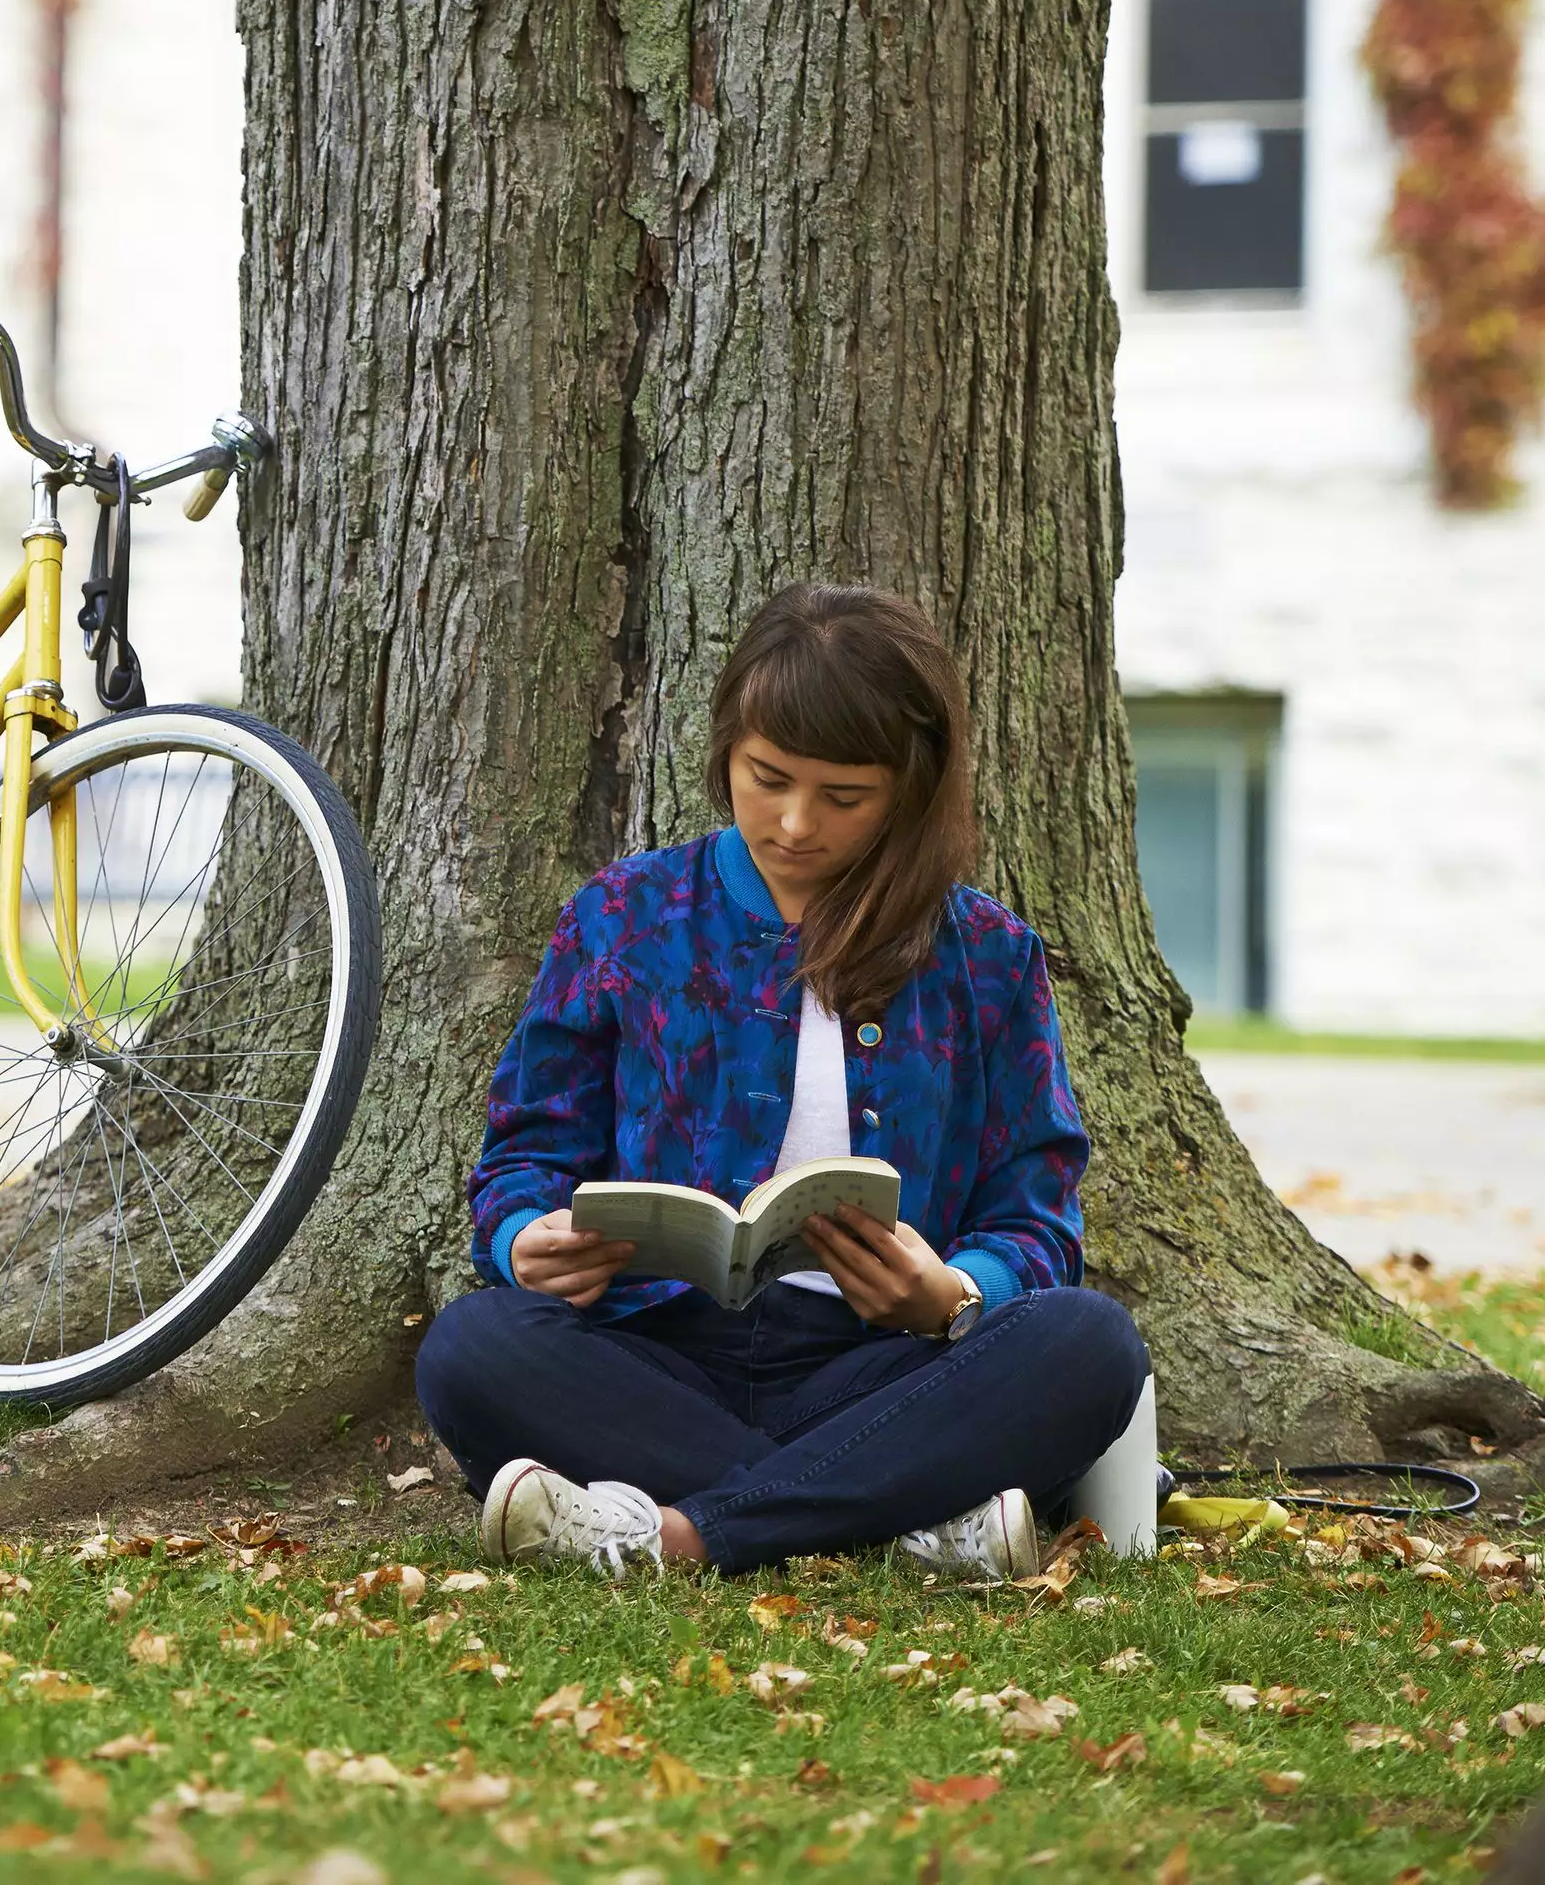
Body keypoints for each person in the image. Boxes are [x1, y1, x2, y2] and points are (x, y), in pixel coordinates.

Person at [415, 583, 1148, 1582]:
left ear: (910, 787)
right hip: (655, 1358)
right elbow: (526, 1151)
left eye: (844, 797)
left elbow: (1036, 1210)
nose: (796, 823)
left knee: (1090, 1344)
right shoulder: (625, 916)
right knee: (472, 1346)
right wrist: (522, 1240)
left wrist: (951, 1293)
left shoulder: (985, 953)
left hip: (884, 1372)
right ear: (725, 751)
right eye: (768, 778)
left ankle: (679, 1535)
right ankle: (902, 1522)